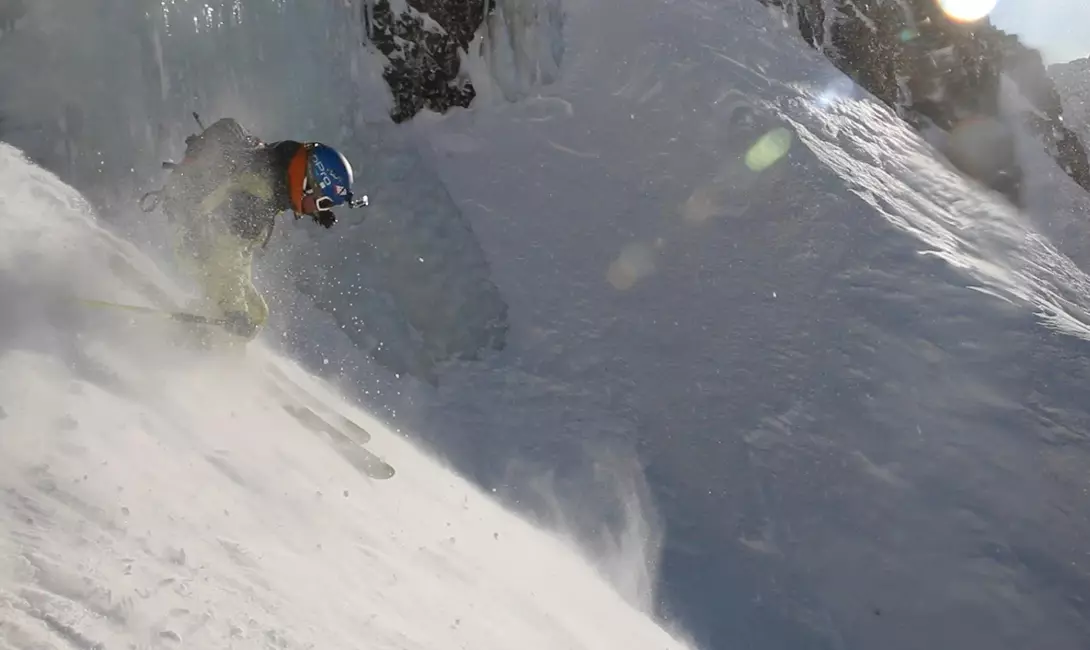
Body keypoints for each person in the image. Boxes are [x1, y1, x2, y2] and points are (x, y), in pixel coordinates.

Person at [145, 116, 367, 344]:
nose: (316, 212)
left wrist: (237, 303)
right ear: (306, 182)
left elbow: (237, 251)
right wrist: (232, 308)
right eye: (322, 203)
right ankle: (183, 345)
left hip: (202, 232)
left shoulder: (273, 178)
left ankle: (195, 331)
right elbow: (223, 255)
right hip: (193, 237)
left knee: (256, 314)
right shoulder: (255, 196)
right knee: (233, 317)